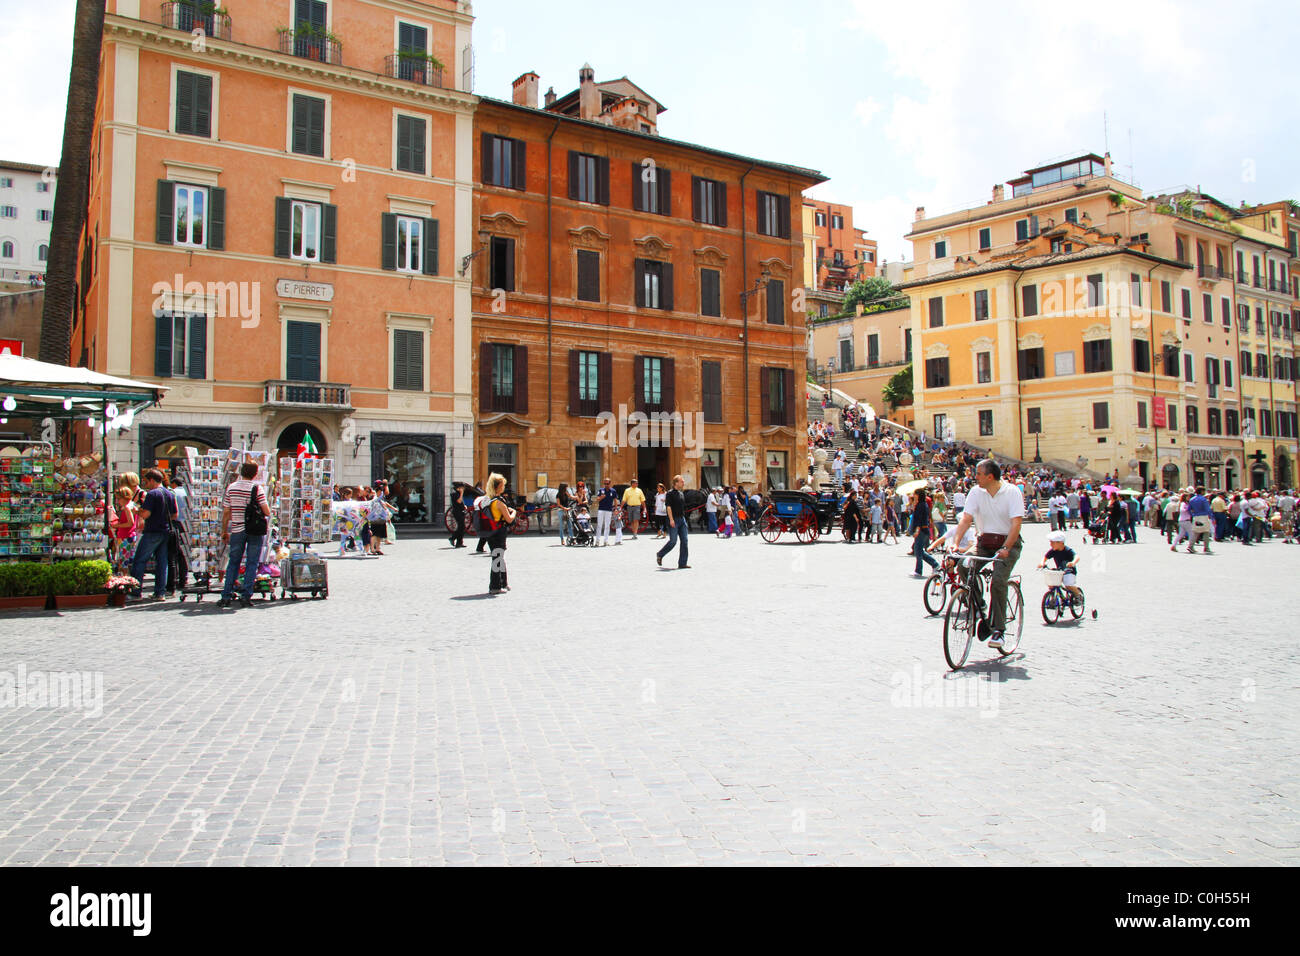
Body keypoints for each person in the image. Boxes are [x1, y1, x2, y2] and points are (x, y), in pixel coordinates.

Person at [948, 458, 1024, 649]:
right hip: (984, 542)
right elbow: (966, 519)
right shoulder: (976, 492)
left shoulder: (1012, 492)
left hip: (1009, 543)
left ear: (990, 476)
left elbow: (1016, 523)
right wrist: (956, 543)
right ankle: (979, 602)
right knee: (963, 565)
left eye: (979, 474)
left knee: (998, 580)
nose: (976, 477)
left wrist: (1006, 548)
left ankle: (998, 630)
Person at [218, 462, 271, 609]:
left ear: (241, 471)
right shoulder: (256, 488)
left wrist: (224, 530)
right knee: (252, 563)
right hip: (254, 530)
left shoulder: (232, 487)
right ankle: (246, 595)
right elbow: (266, 511)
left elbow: (227, 512)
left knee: (233, 563)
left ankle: (226, 595)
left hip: (236, 529)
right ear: (255, 474)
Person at [130, 469, 177, 601]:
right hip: (166, 530)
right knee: (162, 562)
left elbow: (146, 514)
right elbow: (175, 514)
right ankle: (160, 592)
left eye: (146, 481)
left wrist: (136, 511)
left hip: (153, 531)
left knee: (139, 560)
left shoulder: (152, 494)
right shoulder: (169, 493)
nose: (146, 484)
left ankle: (135, 592)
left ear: (152, 480)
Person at [481, 473, 516, 594]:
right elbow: (509, 519)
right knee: (497, 558)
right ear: (498, 486)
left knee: (498, 557)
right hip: (499, 532)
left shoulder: (488, 499)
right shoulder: (500, 502)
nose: (503, 487)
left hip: (490, 531)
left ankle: (503, 582)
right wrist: (514, 512)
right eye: (502, 485)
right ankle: (495, 586)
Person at [655, 475, 690, 569]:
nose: (683, 483)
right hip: (673, 519)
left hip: (682, 520)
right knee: (673, 541)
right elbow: (668, 507)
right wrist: (671, 520)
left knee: (685, 541)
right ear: (676, 483)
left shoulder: (681, 493)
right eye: (682, 481)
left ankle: (682, 563)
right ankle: (660, 554)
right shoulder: (670, 494)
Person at [1037, 531, 1082, 601]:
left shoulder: (1067, 550)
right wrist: (1042, 563)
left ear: (1060, 542)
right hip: (1059, 571)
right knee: (1051, 584)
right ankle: (1054, 599)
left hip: (1069, 571)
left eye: (1052, 542)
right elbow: (1045, 557)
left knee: (1068, 585)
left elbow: (1077, 557)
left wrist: (1073, 562)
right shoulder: (1053, 551)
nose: (1051, 544)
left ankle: (1078, 596)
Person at [167, 475, 190, 595]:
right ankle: (184, 578)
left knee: (174, 553)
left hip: (175, 523)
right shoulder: (187, 492)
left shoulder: (172, 492)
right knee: (184, 553)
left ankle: (174, 579)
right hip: (186, 524)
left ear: (174, 484)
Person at [909, 490, 938, 576]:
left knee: (918, 551)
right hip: (923, 529)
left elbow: (920, 519)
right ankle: (934, 564)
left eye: (915, 494)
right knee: (919, 550)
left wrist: (917, 530)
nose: (913, 495)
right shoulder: (922, 504)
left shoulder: (921, 505)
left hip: (921, 529)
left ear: (918, 495)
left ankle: (920, 570)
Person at [367, 484, 396, 555]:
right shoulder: (374, 499)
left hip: (381, 519)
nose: (381, 493)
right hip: (375, 519)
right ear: (378, 491)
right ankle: (372, 549)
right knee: (374, 534)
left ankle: (378, 548)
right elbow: (375, 509)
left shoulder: (381, 499)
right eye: (380, 491)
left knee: (379, 535)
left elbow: (385, 506)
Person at [1187, 486, 1213, 554]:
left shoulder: (1192, 499)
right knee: (1206, 532)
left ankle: (1191, 546)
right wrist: (1211, 517)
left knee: (1196, 532)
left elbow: (1188, 509)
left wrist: (1192, 515)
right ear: (1202, 491)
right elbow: (1207, 509)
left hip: (1196, 516)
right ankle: (1206, 548)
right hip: (1203, 516)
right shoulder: (1203, 499)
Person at [595, 477, 617, 546]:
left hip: (609, 510)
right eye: (605, 483)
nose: (606, 485)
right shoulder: (601, 490)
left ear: (610, 483)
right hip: (601, 509)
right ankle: (597, 541)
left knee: (607, 526)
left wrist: (616, 509)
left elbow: (615, 500)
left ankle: (606, 541)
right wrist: (601, 497)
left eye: (607, 483)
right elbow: (597, 499)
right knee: (599, 525)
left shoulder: (613, 491)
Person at [449, 481, 469, 548]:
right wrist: (462, 493)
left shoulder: (458, 493)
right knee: (461, 527)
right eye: (461, 488)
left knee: (462, 527)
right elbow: (459, 501)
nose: (463, 489)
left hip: (461, 511)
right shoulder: (454, 494)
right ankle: (453, 538)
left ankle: (459, 542)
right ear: (458, 488)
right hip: (457, 512)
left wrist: (464, 506)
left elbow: (461, 503)